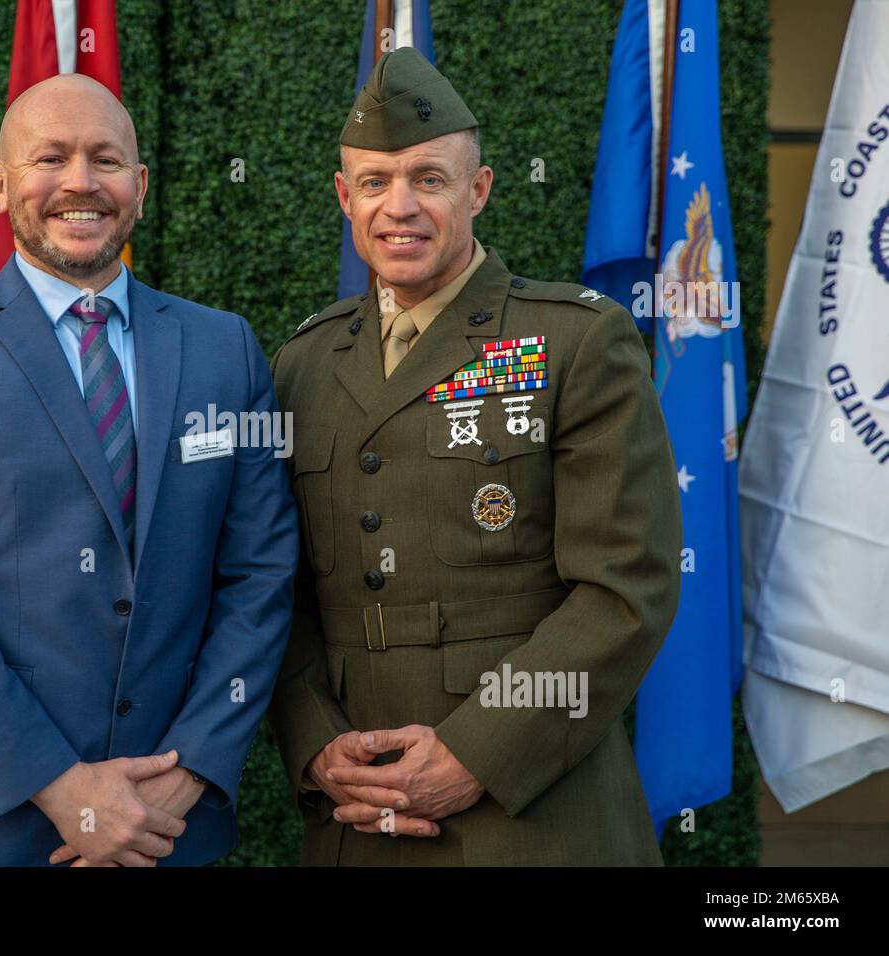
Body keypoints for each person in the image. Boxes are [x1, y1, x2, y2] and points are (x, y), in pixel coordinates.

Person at [0, 74, 298, 866]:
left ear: (140, 185)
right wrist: (61, 786)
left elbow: (261, 577)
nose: (80, 182)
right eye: (49, 158)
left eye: (105, 159)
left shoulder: (226, 349)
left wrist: (186, 772)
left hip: (169, 831)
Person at [267, 47, 682, 865]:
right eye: (377, 182)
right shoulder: (303, 364)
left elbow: (624, 586)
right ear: (345, 198)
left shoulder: (573, 340)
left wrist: (477, 754)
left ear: (479, 189)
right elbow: (274, 588)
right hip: (357, 816)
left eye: (430, 178)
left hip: (533, 813)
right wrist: (316, 745)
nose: (401, 207)